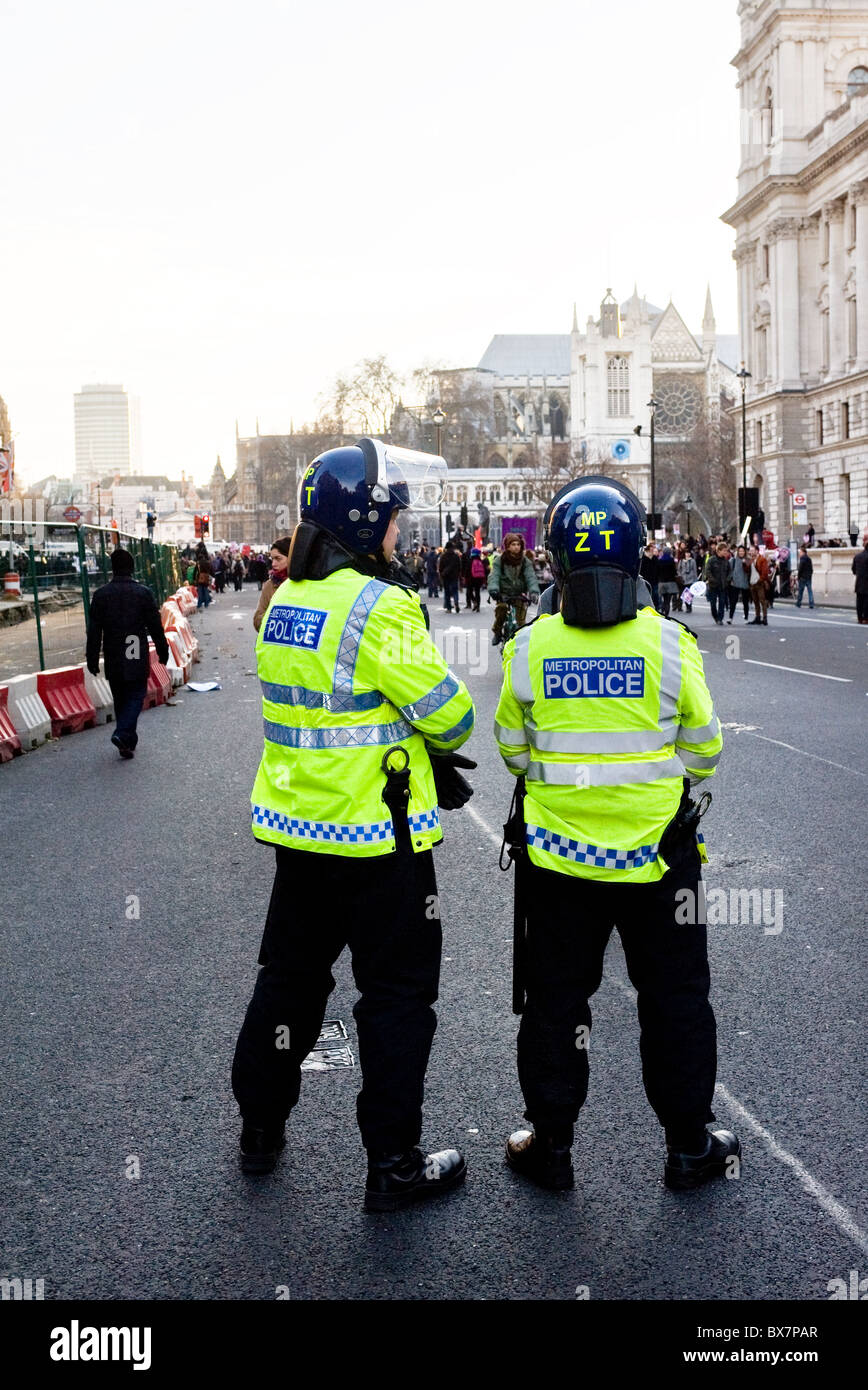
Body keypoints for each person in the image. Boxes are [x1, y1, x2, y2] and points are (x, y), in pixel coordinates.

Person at [231, 438, 477, 1212]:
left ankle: (261, 1128)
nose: (403, 530)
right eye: (396, 516)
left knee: (290, 983)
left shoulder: (284, 605)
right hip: (380, 837)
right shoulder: (380, 607)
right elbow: (454, 717)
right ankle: (394, 1166)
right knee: (397, 997)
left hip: (300, 832)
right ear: (367, 520)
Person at [494, 474, 738, 1193]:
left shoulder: (529, 648)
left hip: (559, 864)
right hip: (661, 861)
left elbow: (514, 749)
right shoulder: (670, 645)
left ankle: (552, 1147)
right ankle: (690, 1144)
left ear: (557, 562)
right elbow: (706, 749)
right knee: (677, 1000)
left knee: (556, 1007)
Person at [85, 548, 170, 760]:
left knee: (121, 696)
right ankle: (124, 734)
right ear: (132, 568)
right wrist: (163, 650)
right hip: (134, 649)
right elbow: (155, 626)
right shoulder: (143, 593)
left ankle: (127, 742)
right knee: (136, 693)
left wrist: (92, 657)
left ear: (112, 568)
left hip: (113, 650)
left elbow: (94, 630)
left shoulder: (101, 595)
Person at [490, 532, 540, 646]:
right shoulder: (499, 560)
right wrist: (494, 589)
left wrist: (534, 591)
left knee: (521, 622)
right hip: (503, 594)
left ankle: (522, 645)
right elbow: (494, 575)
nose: (516, 547)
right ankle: (497, 632)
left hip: (519, 594)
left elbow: (530, 576)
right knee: (501, 610)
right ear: (507, 546)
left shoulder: (525, 561)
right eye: (513, 544)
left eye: (518, 544)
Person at [253, 538, 291, 632]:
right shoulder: (269, 585)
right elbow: (257, 621)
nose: (273, 564)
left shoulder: (308, 582)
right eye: (272, 559)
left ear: (291, 558)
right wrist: (279, 615)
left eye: (278, 559)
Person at [705, 543, 730, 625]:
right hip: (713, 585)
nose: (726, 552)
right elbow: (707, 571)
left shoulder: (726, 561)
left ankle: (720, 618)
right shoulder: (711, 560)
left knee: (722, 603)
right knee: (713, 603)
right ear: (719, 551)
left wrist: (727, 580)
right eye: (724, 550)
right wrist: (712, 580)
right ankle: (715, 616)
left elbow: (730, 572)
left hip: (723, 586)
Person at [727, 544, 750, 623]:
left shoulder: (747, 560)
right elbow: (729, 570)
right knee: (733, 601)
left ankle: (746, 618)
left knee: (745, 602)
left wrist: (745, 564)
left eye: (742, 551)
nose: (741, 552)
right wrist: (730, 579)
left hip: (745, 583)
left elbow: (748, 571)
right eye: (740, 551)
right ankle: (730, 618)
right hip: (735, 583)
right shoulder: (733, 560)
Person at [438, 540, 461, 614]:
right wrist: (458, 574)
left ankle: (449, 608)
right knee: (455, 591)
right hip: (454, 576)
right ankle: (456, 602)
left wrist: (441, 574)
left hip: (446, 577)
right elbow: (460, 566)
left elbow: (440, 567)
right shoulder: (456, 556)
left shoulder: (443, 556)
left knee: (447, 592)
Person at [748, 547, 769, 625]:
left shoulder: (762, 559)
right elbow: (746, 570)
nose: (750, 552)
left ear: (756, 551)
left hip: (759, 584)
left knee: (762, 601)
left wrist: (759, 580)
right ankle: (757, 617)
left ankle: (764, 618)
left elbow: (765, 573)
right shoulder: (750, 560)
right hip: (752, 583)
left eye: (752, 550)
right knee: (755, 601)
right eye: (750, 551)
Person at [656, 545, 679, 618]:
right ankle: (666, 614)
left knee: (663, 598)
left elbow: (657, 572)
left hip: (662, 582)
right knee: (668, 600)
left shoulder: (659, 561)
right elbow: (674, 572)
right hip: (670, 582)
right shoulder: (671, 561)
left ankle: (663, 609)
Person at [853, 540, 868, 623]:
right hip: (867, 582)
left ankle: (859, 618)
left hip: (858, 582)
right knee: (866, 602)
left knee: (859, 601)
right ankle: (866, 618)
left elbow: (853, 570)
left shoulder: (857, 556)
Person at [466, 548, 485, 613]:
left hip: (471, 579)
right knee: (477, 592)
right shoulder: (480, 561)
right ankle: (478, 607)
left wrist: (465, 578)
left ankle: (474, 601)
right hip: (479, 579)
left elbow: (467, 570)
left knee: (469, 591)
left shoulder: (470, 560)